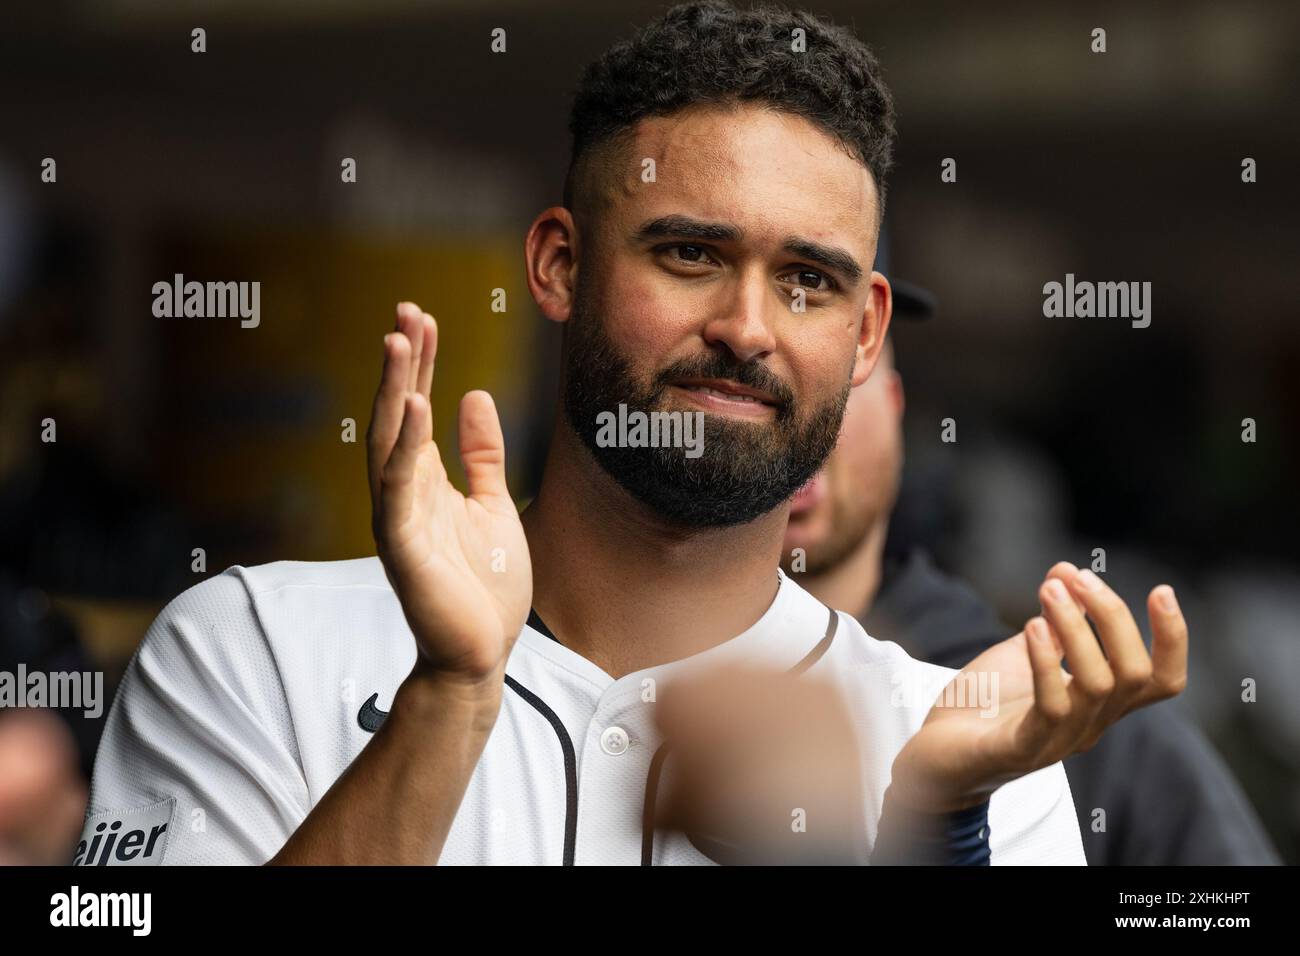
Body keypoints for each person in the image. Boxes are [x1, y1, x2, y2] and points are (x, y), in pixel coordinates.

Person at [76, 1, 1187, 866]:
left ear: (865, 334)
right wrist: (451, 696)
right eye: (690, 253)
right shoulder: (252, 644)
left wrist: (930, 820)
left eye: (807, 280)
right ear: (558, 264)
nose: (746, 328)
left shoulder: (959, 750)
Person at [783, 284, 1279, 864]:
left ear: (894, 404)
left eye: (844, 372)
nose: (801, 423)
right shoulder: (657, 706)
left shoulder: (1077, 720)